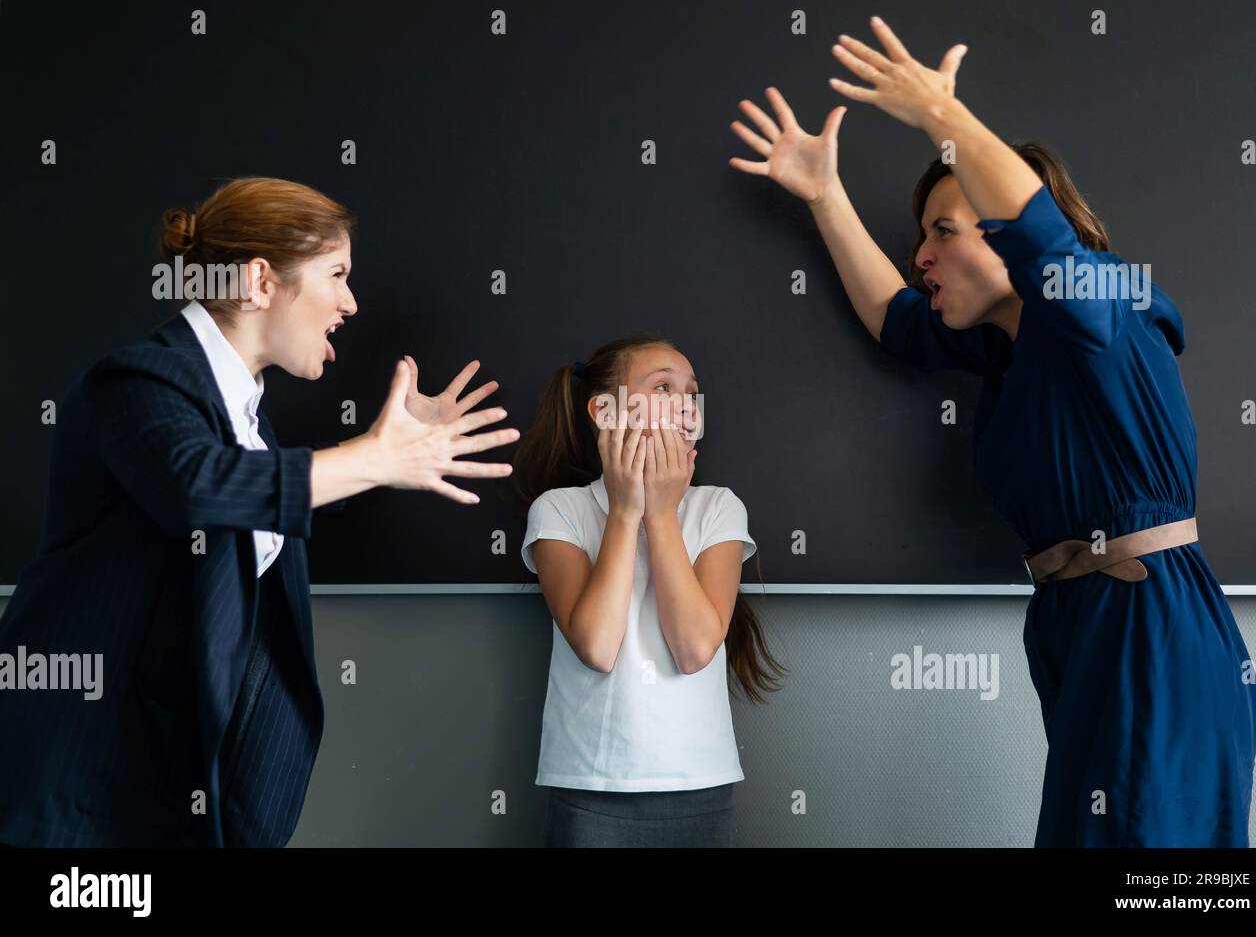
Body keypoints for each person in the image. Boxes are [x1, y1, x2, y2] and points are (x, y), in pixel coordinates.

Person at [727, 16, 1256, 846]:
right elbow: (896, 321)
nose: (920, 257)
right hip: (1078, 631)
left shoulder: (1100, 308)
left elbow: (1045, 239)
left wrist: (945, 117)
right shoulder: (1006, 351)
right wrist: (826, 197)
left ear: (1007, 238)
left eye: (943, 231)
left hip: (1150, 631)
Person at [0, 177, 519, 846]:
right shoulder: (134, 383)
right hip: (76, 794)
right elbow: (201, 488)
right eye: (336, 275)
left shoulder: (251, 429)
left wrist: (392, 454)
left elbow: (251, 491)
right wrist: (376, 457)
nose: (350, 302)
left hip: (171, 788)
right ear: (262, 283)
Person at [510, 337, 785, 846]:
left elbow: (695, 648)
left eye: (692, 393)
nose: (686, 404)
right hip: (590, 784)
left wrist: (661, 512)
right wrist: (625, 509)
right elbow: (596, 646)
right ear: (604, 411)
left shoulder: (717, 508)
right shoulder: (560, 511)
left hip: (699, 781)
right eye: (663, 387)